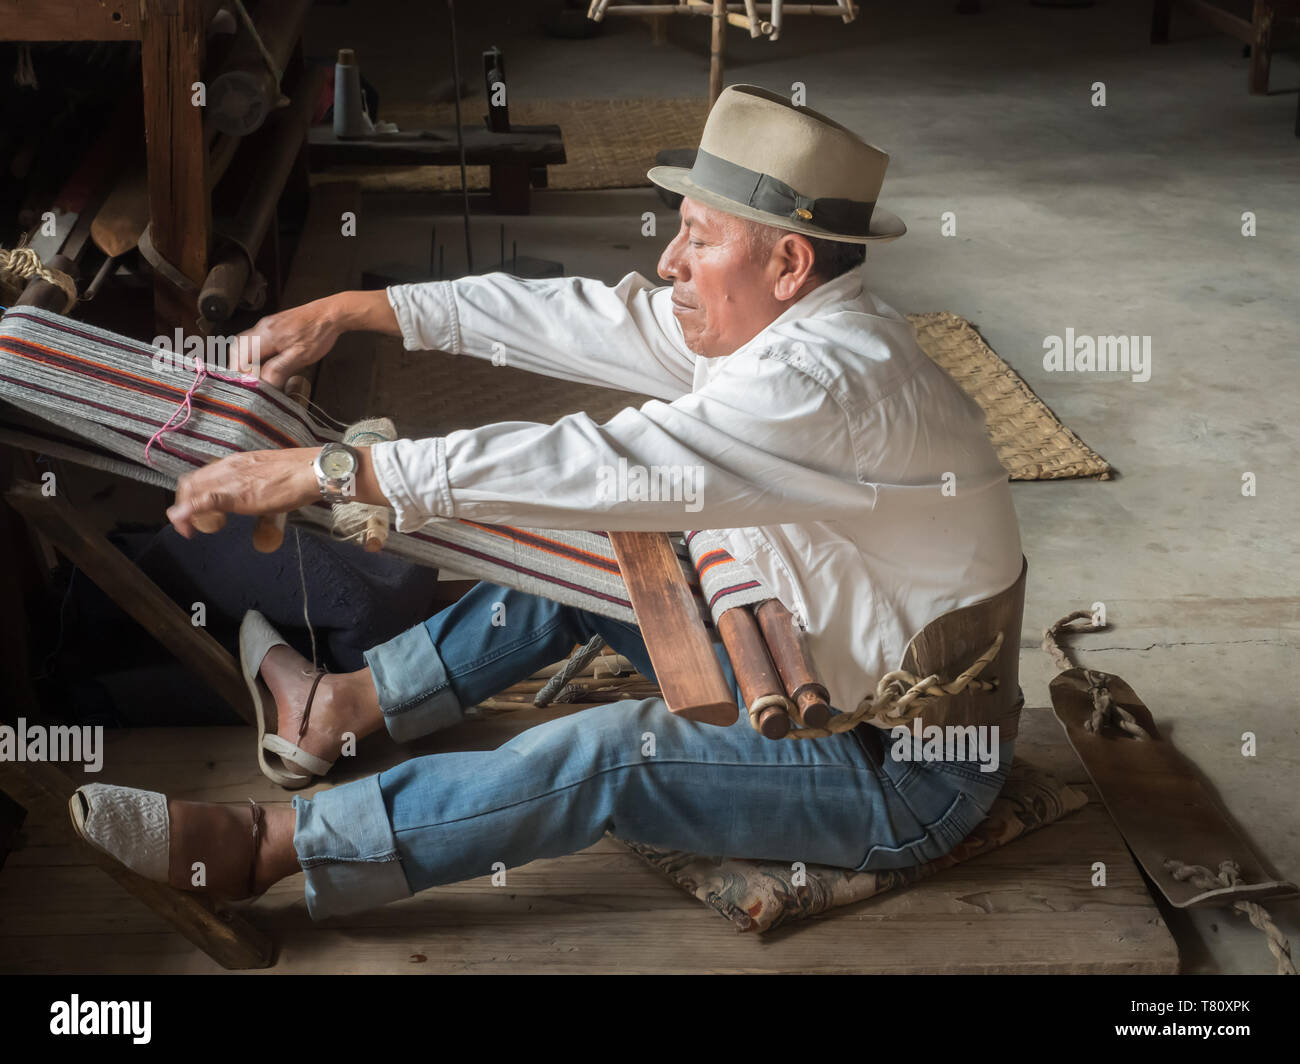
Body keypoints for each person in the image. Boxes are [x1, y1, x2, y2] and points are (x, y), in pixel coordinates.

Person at [71, 85, 1023, 921]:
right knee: (601, 561)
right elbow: (578, 314)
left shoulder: (827, 382)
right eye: (677, 228)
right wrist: (355, 311)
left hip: (901, 774)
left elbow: (601, 462)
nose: (669, 265)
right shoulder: (778, 327)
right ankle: (342, 708)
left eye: (699, 238)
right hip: (804, 653)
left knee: (608, 752)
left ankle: (269, 850)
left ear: (787, 267)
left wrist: (325, 472)